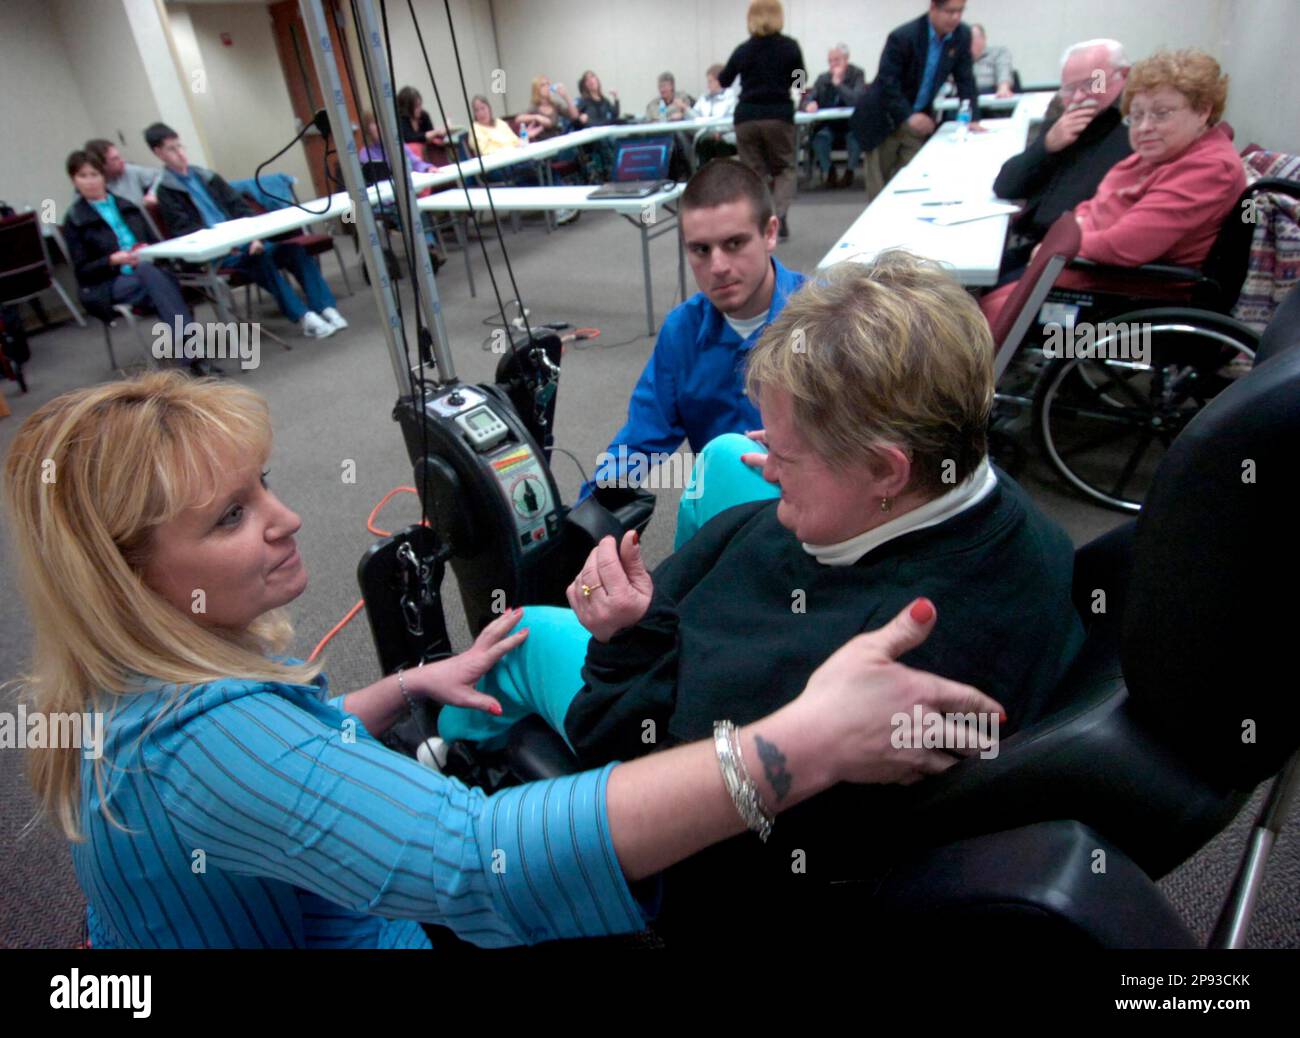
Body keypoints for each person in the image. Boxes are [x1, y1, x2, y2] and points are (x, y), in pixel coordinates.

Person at [3, 372, 1002, 949]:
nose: (287, 516)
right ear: (128, 574)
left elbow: (258, 776)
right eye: (231, 516)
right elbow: (477, 860)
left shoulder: (119, 677)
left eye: (265, 484)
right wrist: (802, 746)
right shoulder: (209, 741)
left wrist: (399, 687)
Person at [438, 252, 1084, 941]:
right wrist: (809, 463)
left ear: (884, 468)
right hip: (815, 575)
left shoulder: (849, 673)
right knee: (719, 456)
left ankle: (447, 766)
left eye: (787, 456)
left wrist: (627, 641)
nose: (769, 465)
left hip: (687, 763)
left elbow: (645, 768)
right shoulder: (979, 492)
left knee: (523, 635)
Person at [580, 158, 803, 499]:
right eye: (700, 250)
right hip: (724, 515)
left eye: (734, 244)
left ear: (769, 233)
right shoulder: (682, 332)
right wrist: (591, 510)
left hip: (813, 515)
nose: (718, 267)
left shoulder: (822, 320)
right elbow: (640, 442)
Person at [980, 49, 1245, 325]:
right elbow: (1089, 204)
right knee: (975, 296)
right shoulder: (1161, 152)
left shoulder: (1207, 168)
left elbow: (1126, 244)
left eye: (1161, 114)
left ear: (1203, 111)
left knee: (977, 318)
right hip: (1084, 263)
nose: (1144, 127)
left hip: (1122, 289)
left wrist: (1057, 246)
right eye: (1137, 116)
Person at [147, 123, 346, 340]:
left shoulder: (207, 177)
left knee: (295, 251)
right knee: (259, 262)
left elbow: (241, 208)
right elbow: (184, 230)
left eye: (180, 146)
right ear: (159, 153)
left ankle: (325, 307)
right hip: (220, 254)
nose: (180, 153)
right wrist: (233, 244)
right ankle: (304, 317)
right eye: (171, 149)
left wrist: (253, 237)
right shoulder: (166, 192)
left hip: (246, 242)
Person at [61, 150, 211, 376]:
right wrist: (112, 259)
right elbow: (83, 271)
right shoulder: (75, 220)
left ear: (103, 176)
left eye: (94, 174)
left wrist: (145, 251)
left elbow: (153, 243)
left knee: (155, 278)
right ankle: (194, 357)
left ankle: (192, 357)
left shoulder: (127, 205)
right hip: (110, 282)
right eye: (83, 176)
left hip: (146, 275)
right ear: (74, 180)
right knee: (162, 279)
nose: (90, 181)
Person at [992, 39, 1132, 277]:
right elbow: (1005, 185)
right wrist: (1046, 146)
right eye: (1069, 88)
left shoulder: (1134, 133)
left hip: (1073, 260)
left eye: (1092, 84)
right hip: (1033, 246)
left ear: (1123, 76)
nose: (1079, 97)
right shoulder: (1067, 119)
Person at [851, 0, 980, 202]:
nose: (956, 17)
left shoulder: (961, 35)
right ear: (933, 8)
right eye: (950, 11)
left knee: (917, 182)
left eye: (960, 12)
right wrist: (802, 97)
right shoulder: (903, 36)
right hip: (882, 119)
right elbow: (887, 82)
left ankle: (783, 215)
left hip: (916, 117)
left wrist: (972, 116)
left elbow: (966, 79)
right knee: (879, 193)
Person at [719, 0, 805, 238]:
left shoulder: (743, 49)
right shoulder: (790, 47)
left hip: (747, 117)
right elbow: (800, 82)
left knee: (754, 173)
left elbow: (724, 80)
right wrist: (803, 97)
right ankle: (781, 216)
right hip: (778, 115)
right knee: (784, 168)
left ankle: (760, 221)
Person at [801, 44, 869, 188]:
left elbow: (857, 100)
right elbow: (806, 99)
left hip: (851, 124)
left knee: (855, 138)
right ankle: (829, 171)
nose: (833, 65)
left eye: (836, 60)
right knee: (820, 138)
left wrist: (839, 85)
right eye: (830, 61)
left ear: (846, 59)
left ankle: (850, 172)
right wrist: (809, 104)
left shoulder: (857, 74)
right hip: (828, 125)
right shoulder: (823, 78)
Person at [83, 139, 162, 233]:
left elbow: (161, 175)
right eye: (115, 159)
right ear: (102, 166)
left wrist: (152, 193)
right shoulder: (89, 189)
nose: (122, 161)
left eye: (119, 156)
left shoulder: (129, 170)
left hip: (142, 228)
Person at [691, 64, 740, 164]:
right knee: (705, 143)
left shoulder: (730, 98)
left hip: (725, 137)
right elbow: (695, 118)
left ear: (718, 81)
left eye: (710, 81)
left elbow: (731, 122)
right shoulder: (703, 99)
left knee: (718, 145)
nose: (708, 85)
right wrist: (685, 109)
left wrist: (718, 132)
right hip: (705, 136)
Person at [517, 75, 576, 141]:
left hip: (558, 141)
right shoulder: (534, 107)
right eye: (543, 85)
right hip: (542, 143)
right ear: (537, 90)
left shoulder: (555, 105)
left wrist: (566, 97)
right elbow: (518, 119)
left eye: (548, 84)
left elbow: (574, 116)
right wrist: (537, 117)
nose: (547, 87)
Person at [969, 24, 1014, 97]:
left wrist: (1003, 87)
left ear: (984, 38)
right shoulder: (959, 58)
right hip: (965, 95)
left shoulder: (998, 52)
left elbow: (1004, 71)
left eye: (974, 37)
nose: (971, 41)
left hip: (991, 93)